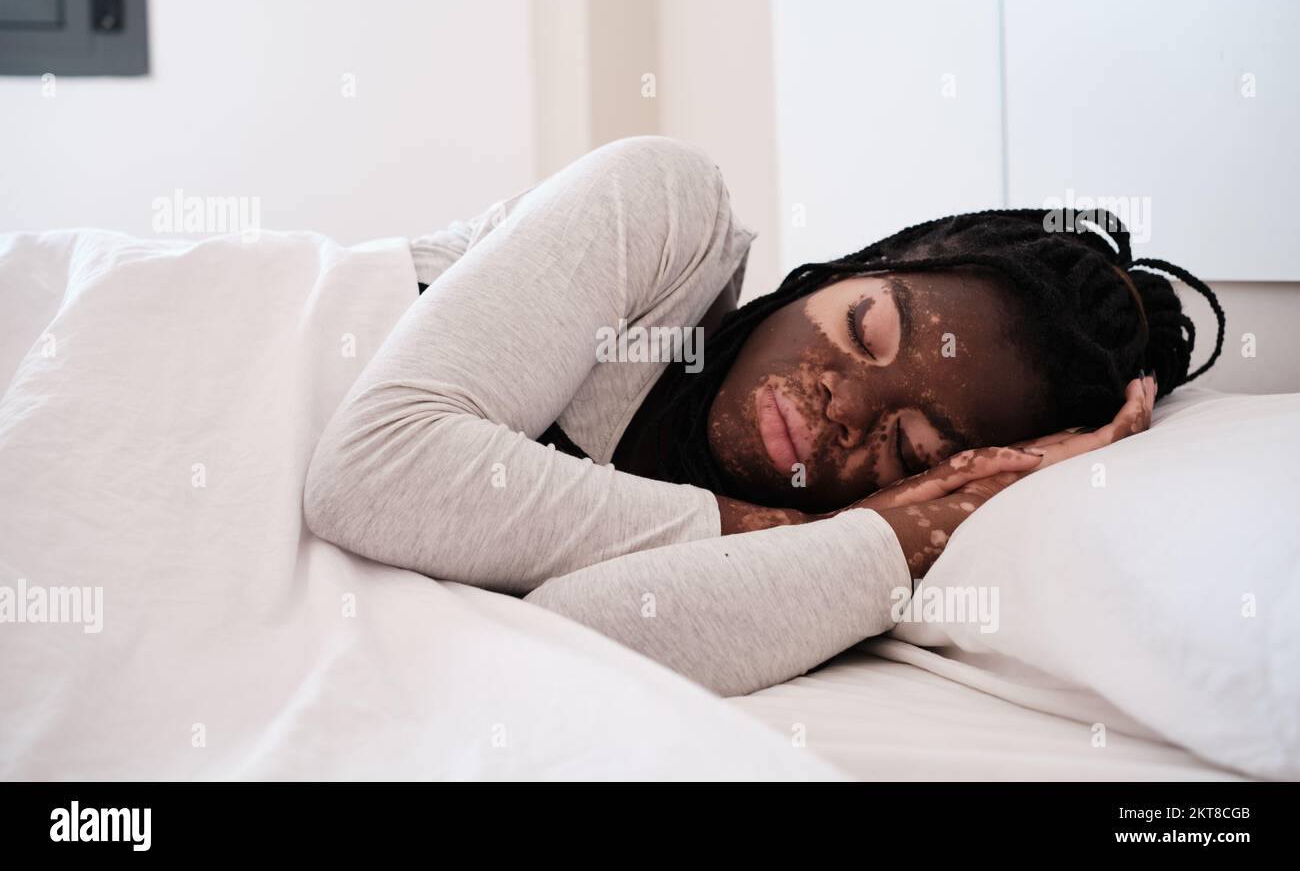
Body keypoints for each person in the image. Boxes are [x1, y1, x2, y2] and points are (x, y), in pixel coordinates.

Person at [303, 136, 1224, 696]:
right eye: (866, 329)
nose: (843, 405)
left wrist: (898, 535)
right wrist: (767, 522)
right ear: (852, 267)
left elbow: (561, 648)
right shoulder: (666, 211)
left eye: (908, 446)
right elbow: (373, 475)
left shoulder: (809, 547)